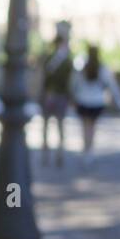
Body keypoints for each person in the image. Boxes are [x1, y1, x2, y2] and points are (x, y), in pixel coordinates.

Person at [70, 45, 120, 167]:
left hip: (83, 100)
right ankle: (89, 151)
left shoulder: (82, 68)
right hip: (96, 102)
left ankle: (86, 149)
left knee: (85, 127)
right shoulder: (102, 68)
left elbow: (74, 84)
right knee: (92, 127)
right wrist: (119, 101)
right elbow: (111, 85)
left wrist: (73, 96)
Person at [39, 24, 73, 167]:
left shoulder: (54, 59)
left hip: (51, 95)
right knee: (58, 126)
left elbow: (44, 77)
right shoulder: (66, 60)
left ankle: (48, 154)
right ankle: (57, 153)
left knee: (49, 125)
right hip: (58, 95)